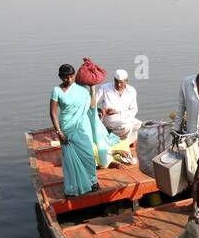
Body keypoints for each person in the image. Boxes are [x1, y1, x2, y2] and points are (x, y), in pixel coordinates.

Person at [49, 63, 100, 197]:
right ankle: (72, 187)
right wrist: (59, 132)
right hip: (67, 127)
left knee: (88, 155)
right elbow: (53, 113)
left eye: (71, 77)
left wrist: (92, 89)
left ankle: (92, 181)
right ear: (60, 77)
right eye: (65, 77)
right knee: (69, 159)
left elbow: (92, 105)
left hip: (82, 126)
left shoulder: (82, 89)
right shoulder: (56, 91)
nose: (69, 80)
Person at [97, 69, 141, 143]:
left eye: (121, 82)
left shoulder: (132, 91)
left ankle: (126, 143)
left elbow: (134, 110)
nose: (118, 85)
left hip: (125, 116)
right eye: (116, 82)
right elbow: (94, 102)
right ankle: (108, 140)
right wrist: (101, 111)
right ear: (114, 80)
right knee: (127, 126)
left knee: (139, 125)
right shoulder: (105, 88)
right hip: (109, 118)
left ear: (126, 81)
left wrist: (118, 112)